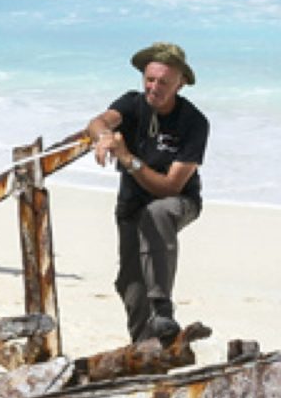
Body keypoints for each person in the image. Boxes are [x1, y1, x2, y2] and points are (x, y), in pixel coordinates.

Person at [85, 42, 209, 344]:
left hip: (179, 201)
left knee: (158, 213)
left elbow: (170, 186)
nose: (154, 87)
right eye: (150, 79)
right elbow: (99, 121)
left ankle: (162, 307)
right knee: (131, 282)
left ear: (180, 83)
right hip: (131, 204)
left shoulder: (194, 122)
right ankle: (147, 347)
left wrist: (128, 158)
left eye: (163, 82)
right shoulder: (131, 104)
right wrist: (103, 137)